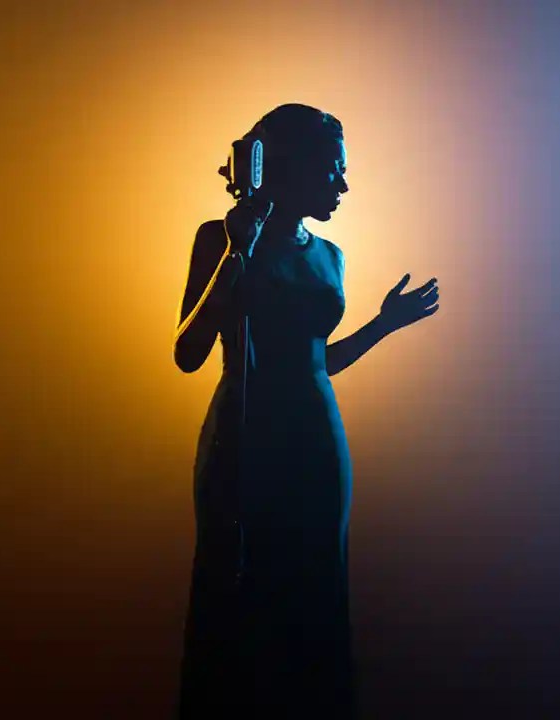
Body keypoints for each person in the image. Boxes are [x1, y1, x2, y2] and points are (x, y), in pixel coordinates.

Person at [173, 103, 440, 719]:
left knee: (316, 593)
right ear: (289, 168)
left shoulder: (332, 256)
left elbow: (320, 362)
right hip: (244, 437)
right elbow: (188, 352)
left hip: (317, 443)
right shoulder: (219, 237)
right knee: (235, 588)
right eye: (332, 172)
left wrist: (383, 324)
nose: (344, 186)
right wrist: (236, 254)